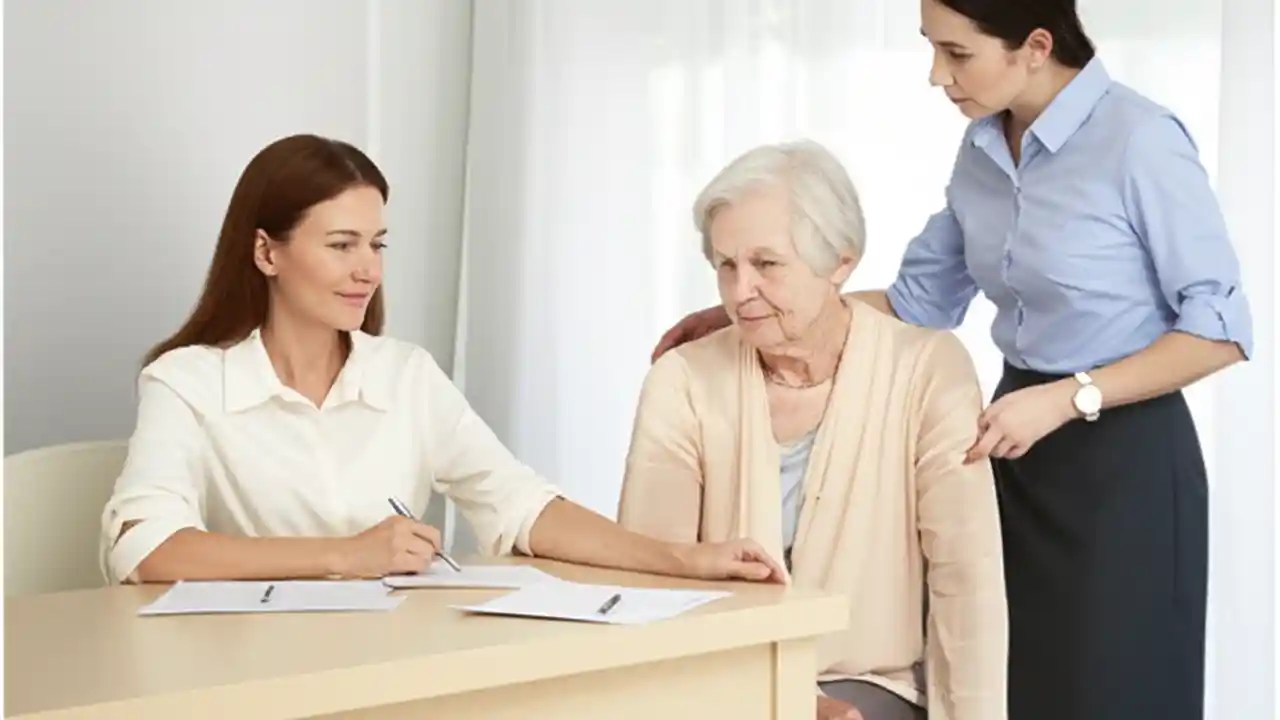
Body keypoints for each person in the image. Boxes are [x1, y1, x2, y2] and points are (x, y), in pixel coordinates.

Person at [650, 2, 1253, 719]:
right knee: (1009, 683)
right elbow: (920, 298)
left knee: (1113, 690)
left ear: (1034, 46)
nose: (938, 75)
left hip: (1124, 458)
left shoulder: (1140, 140)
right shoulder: (983, 149)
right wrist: (746, 312)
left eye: (957, 54)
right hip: (1012, 450)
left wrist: (1070, 396)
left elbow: (1220, 329)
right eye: (932, 50)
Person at [99, 133, 785, 588]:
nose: (368, 269)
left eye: (378, 244)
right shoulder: (186, 382)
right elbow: (147, 548)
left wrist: (682, 559)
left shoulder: (406, 376)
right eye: (342, 245)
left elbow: (519, 505)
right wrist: (346, 556)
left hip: (393, 668)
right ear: (266, 253)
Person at [622, 140, 1007, 720]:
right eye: (726, 266)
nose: (739, 291)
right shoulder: (682, 380)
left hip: (868, 682)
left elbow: (966, 584)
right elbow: (657, 581)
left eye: (766, 264)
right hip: (713, 679)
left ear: (840, 263)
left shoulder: (929, 370)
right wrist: (787, 702)